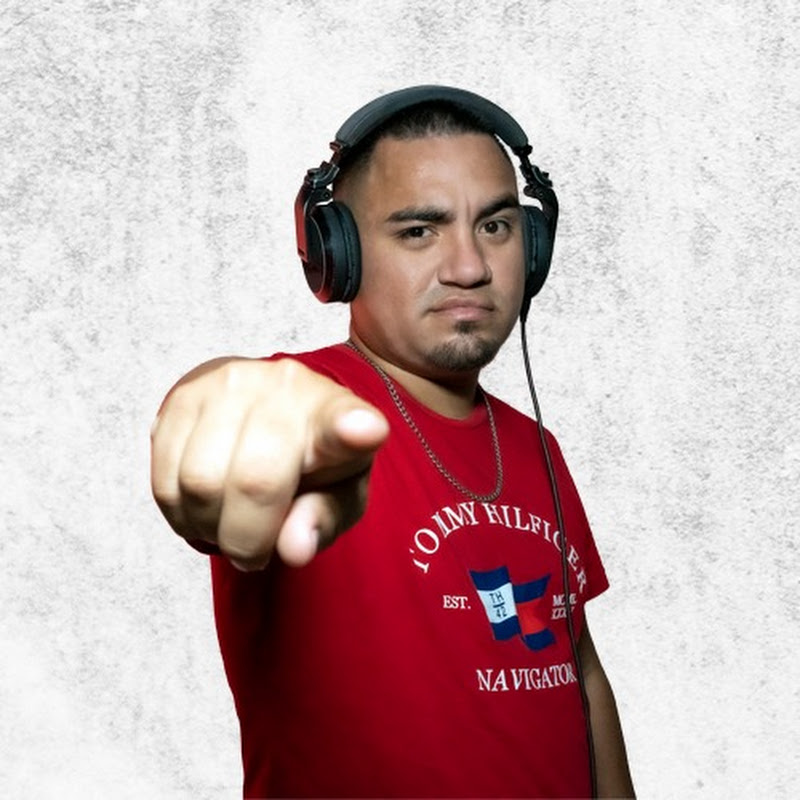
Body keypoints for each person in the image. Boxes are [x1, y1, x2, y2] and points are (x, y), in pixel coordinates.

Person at [150, 86, 635, 799]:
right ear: (336, 257)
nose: (469, 265)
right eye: (418, 231)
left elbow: (578, 665)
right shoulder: (312, 411)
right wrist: (214, 413)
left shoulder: (537, 446)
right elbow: (230, 414)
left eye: (496, 226)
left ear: (534, 249)